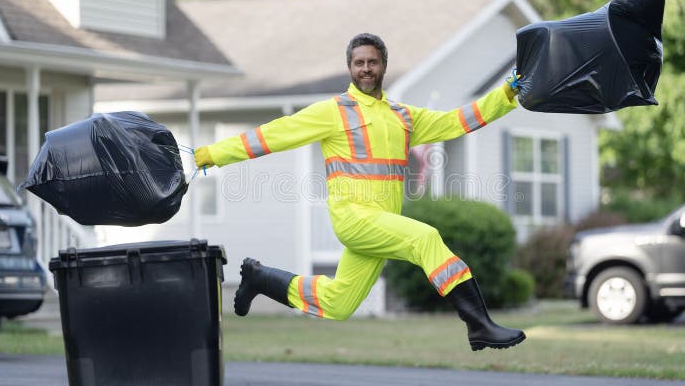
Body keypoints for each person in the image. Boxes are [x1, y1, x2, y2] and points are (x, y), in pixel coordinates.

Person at [194, 33, 525, 351]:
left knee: (340, 303)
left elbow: (457, 121)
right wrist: (213, 154)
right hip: (353, 219)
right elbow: (273, 134)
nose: (366, 68)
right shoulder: (333, 111)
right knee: (426, 238)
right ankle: (479, 325)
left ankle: (261, 278)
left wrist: (506, 93)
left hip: (382, 223)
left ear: (383, 66)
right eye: (359, 63)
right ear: (350, 68)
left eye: (373, 62)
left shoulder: (404, 117)